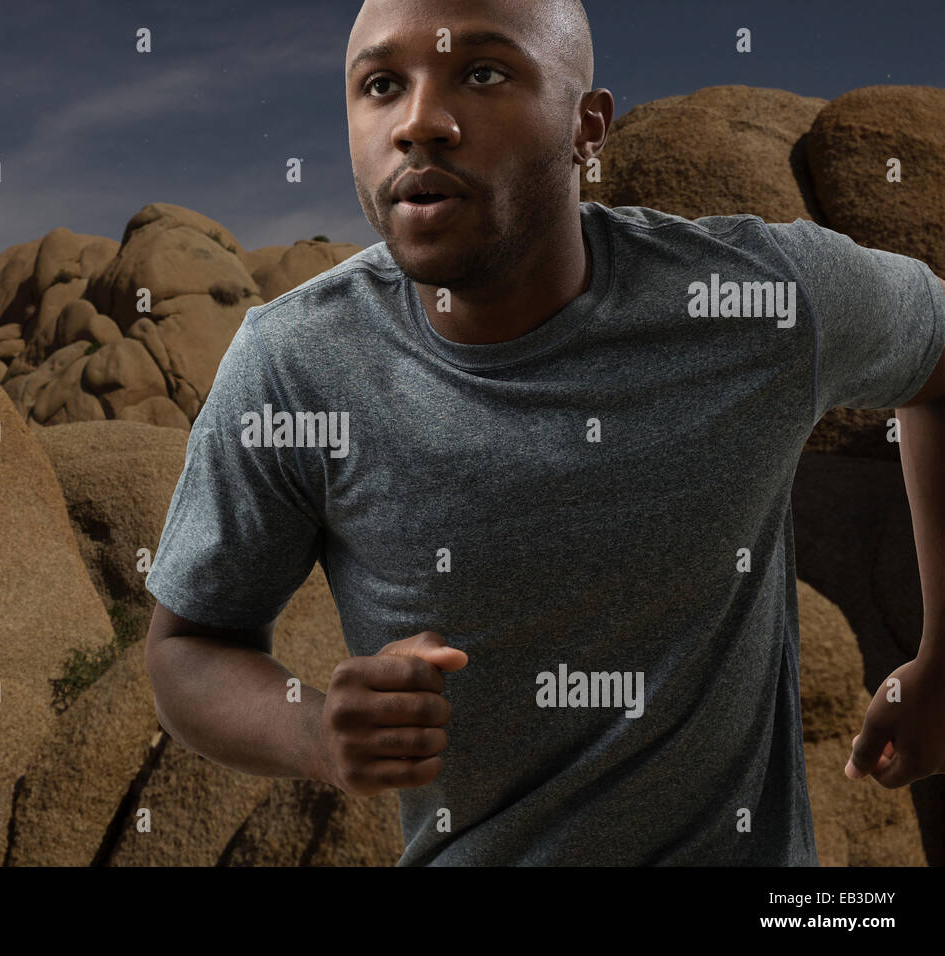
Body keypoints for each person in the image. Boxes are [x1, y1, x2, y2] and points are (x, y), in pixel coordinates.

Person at [143, 0, 945, 865]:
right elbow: (188, 649)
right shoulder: (295, 365)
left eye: (482, 73)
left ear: (586, 128)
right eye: (381, 85)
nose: (418, 122)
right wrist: (313, 734)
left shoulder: (758, 301)